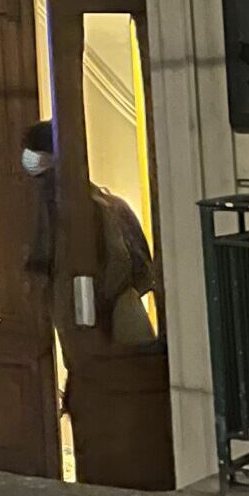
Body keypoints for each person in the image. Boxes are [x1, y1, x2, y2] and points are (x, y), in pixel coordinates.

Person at [20, 119, 157, 346]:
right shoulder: (55, 204)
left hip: (103, 317)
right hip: (101, 315)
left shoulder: (96, 207)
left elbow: (122, 263)